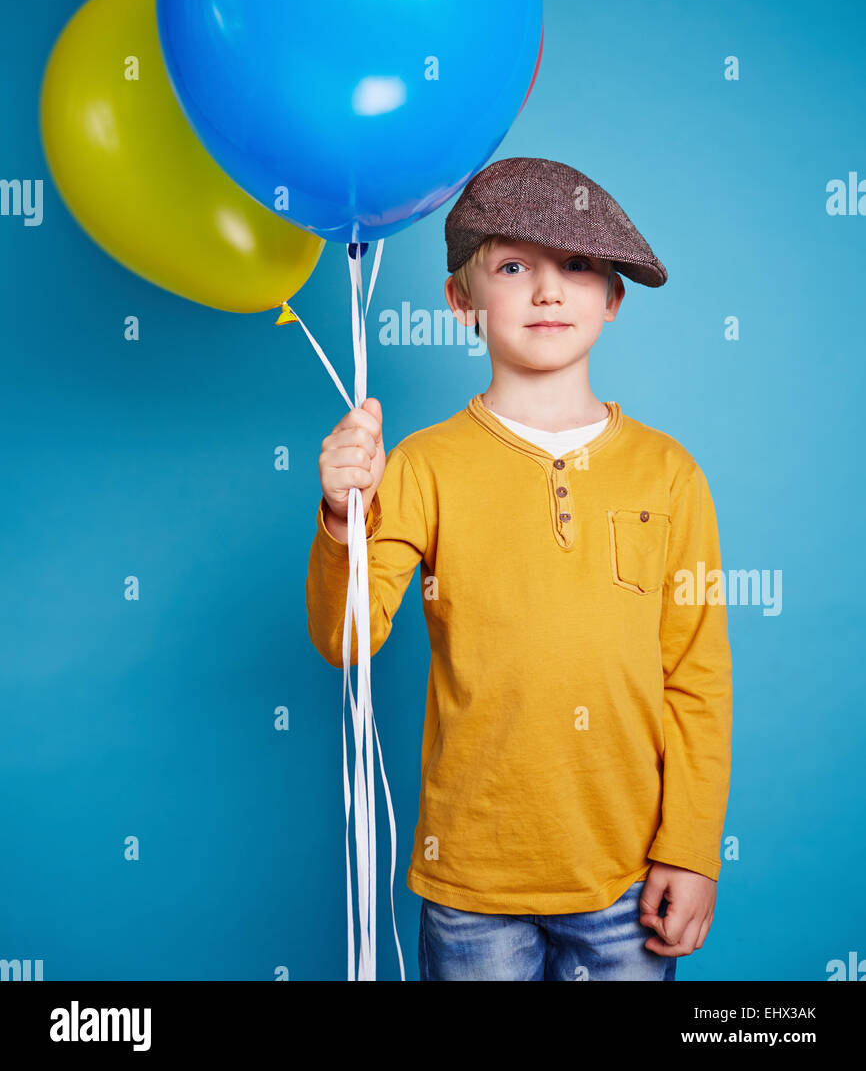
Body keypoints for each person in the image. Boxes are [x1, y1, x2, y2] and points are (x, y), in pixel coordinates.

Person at [306, 155, 733, 981]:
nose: (548, 292)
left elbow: (698, 678)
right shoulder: (424, 467)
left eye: (577, 266)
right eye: (513, 267)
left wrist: (691, 847)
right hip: (471, 881)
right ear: (462, 300)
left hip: (627, 876)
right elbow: (347, 637)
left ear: (612, 298)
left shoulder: (669, 473)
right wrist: (339, 516)